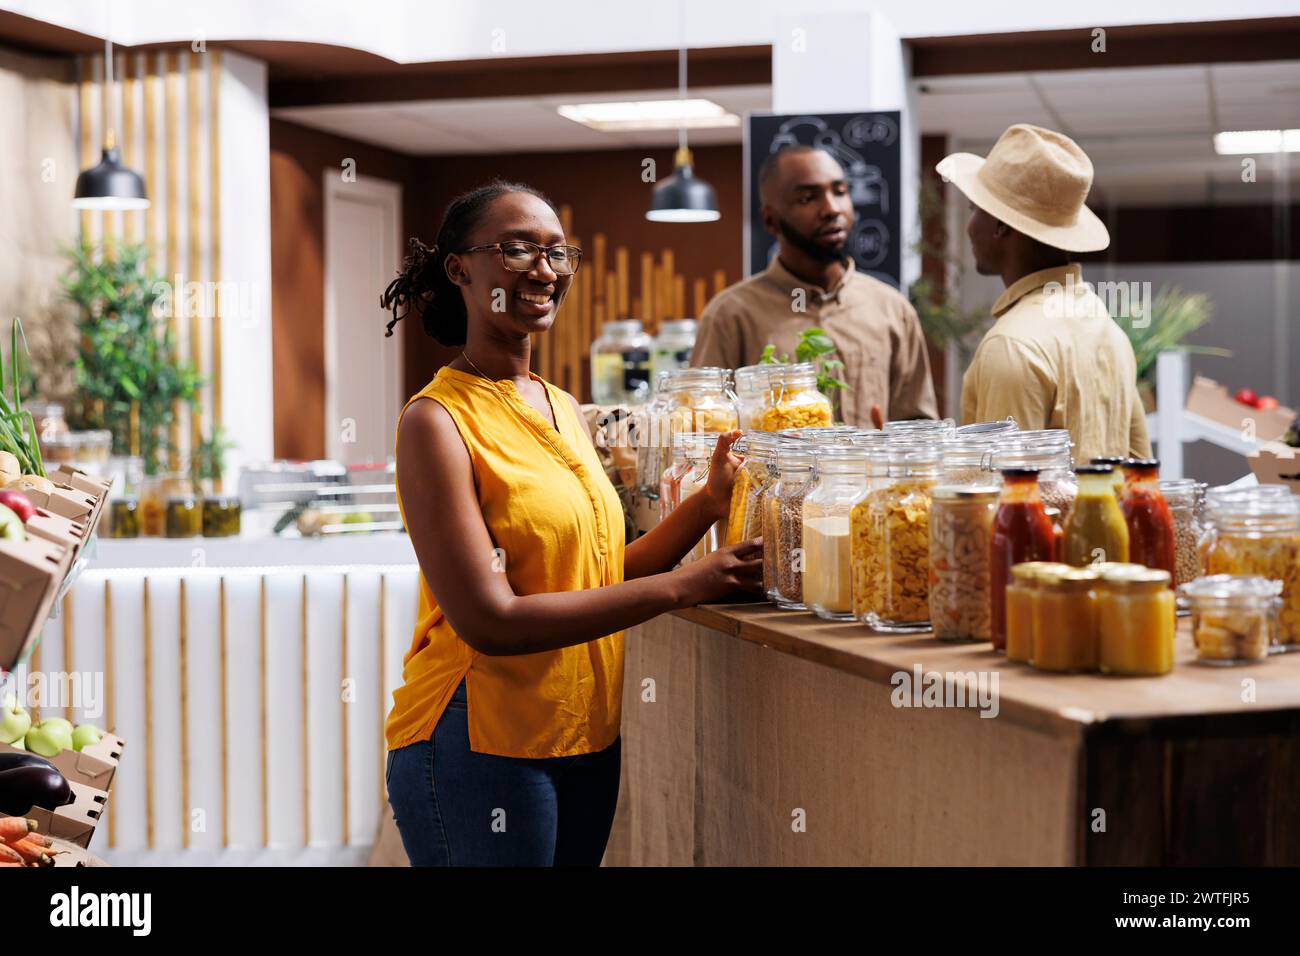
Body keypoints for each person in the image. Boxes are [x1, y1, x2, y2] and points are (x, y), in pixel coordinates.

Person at [379, 180, 763, 866]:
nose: (545, 270)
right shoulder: (436, 422)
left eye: (558, 253)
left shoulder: (559, 404)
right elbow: (491, 620)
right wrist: (688, 586)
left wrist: (703, 507)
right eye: (518, 248)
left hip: (585, 735)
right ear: (460, 268)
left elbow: (596, 571)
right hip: (479, 739)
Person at [938, 124, 1152, 462]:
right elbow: (1140, 471)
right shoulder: (1107, 330)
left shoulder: (1013, 344)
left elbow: (1005, 500)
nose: (969, 226)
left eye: (974, 210)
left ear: (1000, 226)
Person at [690, 145, 937, 428]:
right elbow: (705, 426)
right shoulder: (731, 315)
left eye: (840, 192)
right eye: (808, 198)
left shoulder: (892, 309)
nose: (832, 209)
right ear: (770, 220)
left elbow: (919, 426)